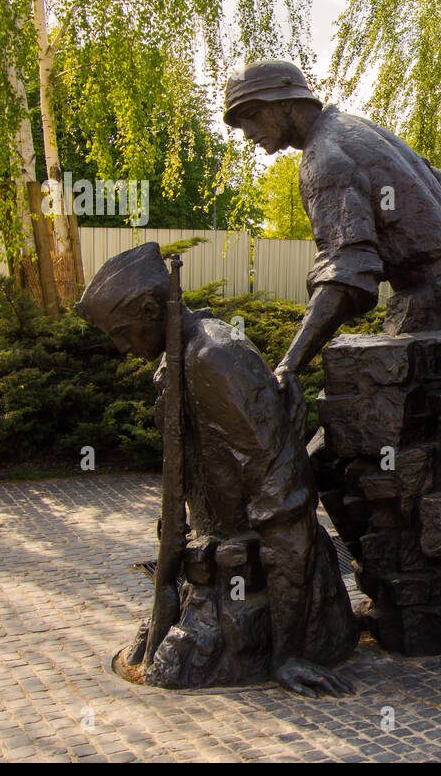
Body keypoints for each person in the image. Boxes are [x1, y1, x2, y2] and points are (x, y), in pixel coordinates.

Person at [75, 243, 357, 696]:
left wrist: (287, 653)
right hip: (216, 567)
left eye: (122, 333)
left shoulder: (215, 357)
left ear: (151, 309)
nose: (123, 348)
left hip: (260, 572)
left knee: (174, 668)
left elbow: (282, 496)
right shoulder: (181, 354)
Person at [223, 60, 441, 397]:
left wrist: (289, 366)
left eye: (251, 116)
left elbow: (345, 271)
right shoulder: (355, 127)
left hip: (440, 310)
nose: (248, 134)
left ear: (285, 104)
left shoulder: (323, 162)